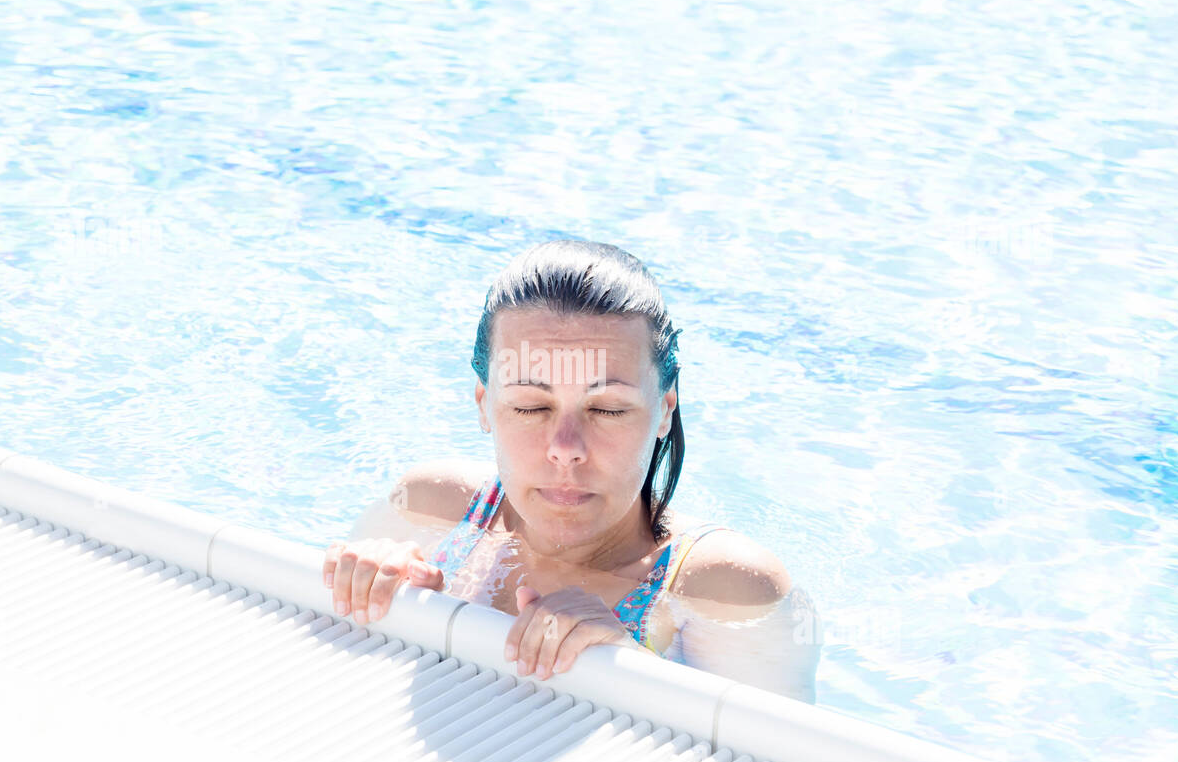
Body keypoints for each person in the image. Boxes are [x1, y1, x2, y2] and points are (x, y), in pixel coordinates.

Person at [322, 239, 821, 703]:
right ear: (484, 404)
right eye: (530, 407)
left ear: (665, 410)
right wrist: (374, 598)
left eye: (607, 409)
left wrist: (627, 669)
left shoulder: (722, 588)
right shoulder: (435, 510)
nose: (565, 449)